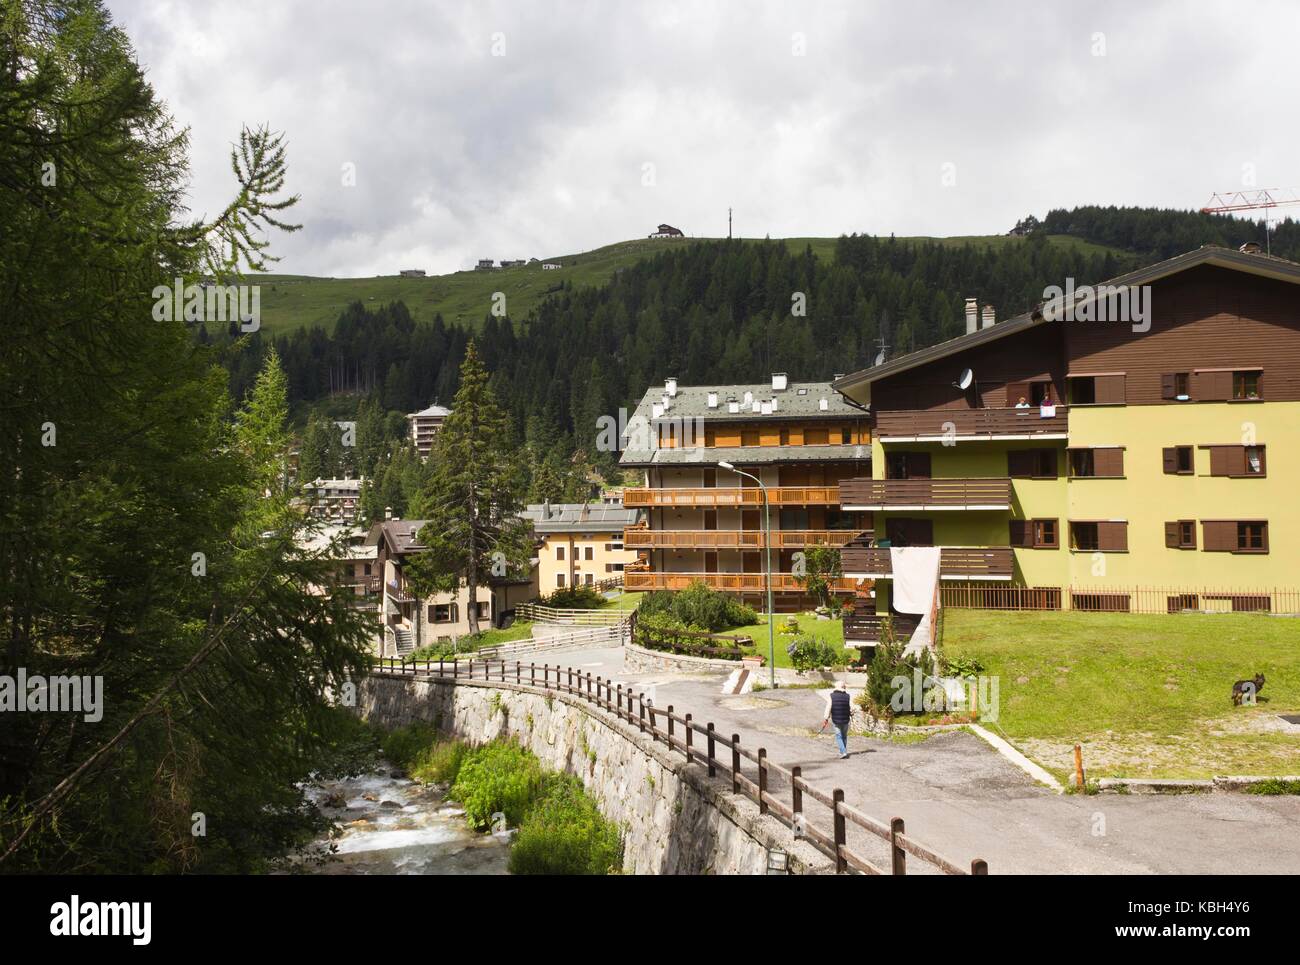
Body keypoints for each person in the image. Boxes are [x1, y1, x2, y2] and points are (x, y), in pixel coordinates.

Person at [822, 680, 852, 759]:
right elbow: (849, 707)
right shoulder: (847, 696)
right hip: (845, 719)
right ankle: (843, 751)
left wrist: (826, 718)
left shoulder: (832, 696)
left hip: (836, 719)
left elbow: (828, 707)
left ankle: (843, 752)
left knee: (839, 736)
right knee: (844, 736)